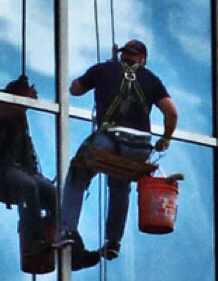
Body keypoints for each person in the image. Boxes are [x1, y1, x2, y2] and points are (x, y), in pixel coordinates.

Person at [54, 38, 178, 261]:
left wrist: (101, 73)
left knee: (78, 172)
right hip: (140, 147)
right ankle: (113, 242)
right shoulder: (152, 79)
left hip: (110, 139)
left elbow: (75, 89)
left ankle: (66, 229)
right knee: (120, 184)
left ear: (122, 55)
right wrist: (165, 139)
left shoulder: (104, 69)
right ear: (142, 59)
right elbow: (171, 112)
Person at [0, 75, 57, 224]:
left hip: (20, 170)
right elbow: (6, 111)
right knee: (28, 186)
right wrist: (27, 100)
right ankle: (34, 237)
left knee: (52, 192)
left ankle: (59, 234)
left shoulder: (19, 121)